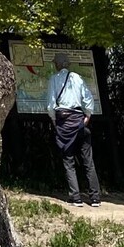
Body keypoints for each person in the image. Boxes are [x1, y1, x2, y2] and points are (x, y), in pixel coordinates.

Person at [45, 51, 100, 206]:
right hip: (79, 119)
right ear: (67, 64)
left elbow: (51, 103)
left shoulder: (54, 79)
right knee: (88, 160)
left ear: (56, 64)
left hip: (63, 121)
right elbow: (88, 98)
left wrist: (54, 120)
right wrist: (87, 116)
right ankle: (95, 197)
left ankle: (75, 197)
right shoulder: (77, 78)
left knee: (68, 159)